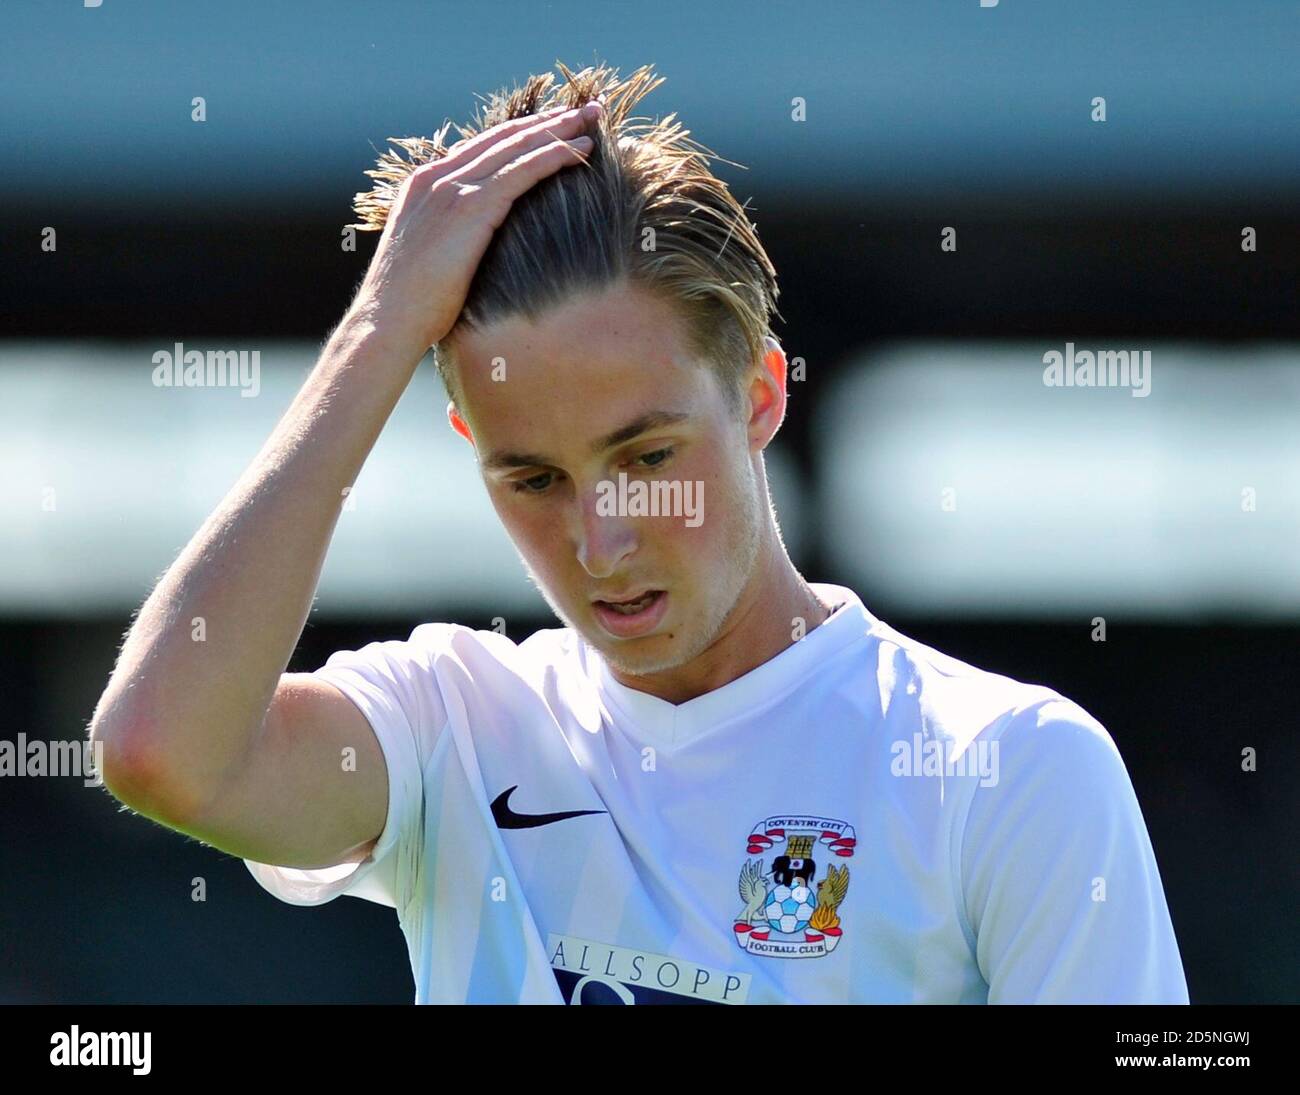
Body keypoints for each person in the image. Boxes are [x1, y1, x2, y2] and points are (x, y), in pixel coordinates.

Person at [88, 61, 1189, 1005]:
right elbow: (159, 754)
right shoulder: (453, 727)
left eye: (648, 458)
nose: (600, 542)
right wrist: (378, 334)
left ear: (759, 395)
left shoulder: (1010, 768)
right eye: (532, 478)